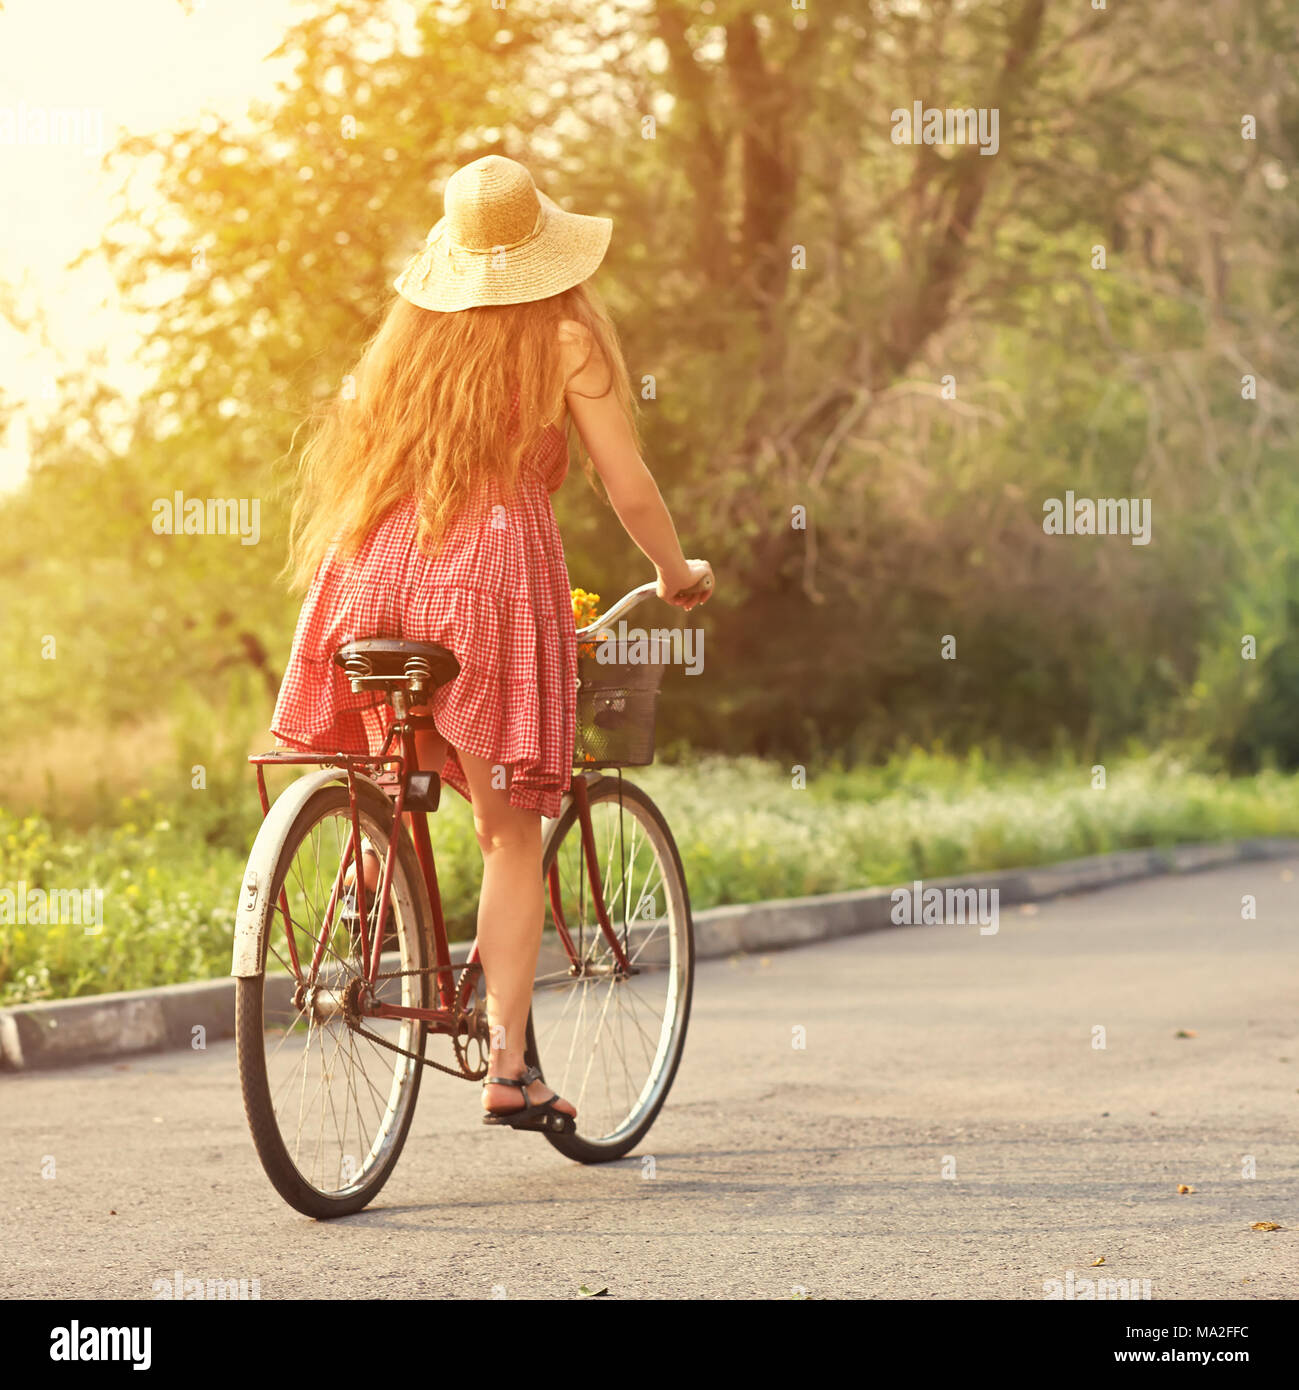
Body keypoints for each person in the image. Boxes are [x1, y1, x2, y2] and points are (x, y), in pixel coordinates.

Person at [270, 154, 713, 1131]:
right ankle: (510, 1070)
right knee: (511, 831)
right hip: (487, 572)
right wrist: (676, 570)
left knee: (410, 759)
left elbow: (361, 454)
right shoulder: (566, 338)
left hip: (373, 565)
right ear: (548, 253)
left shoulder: (411, 339)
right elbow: (626, 483)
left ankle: (377, 875)